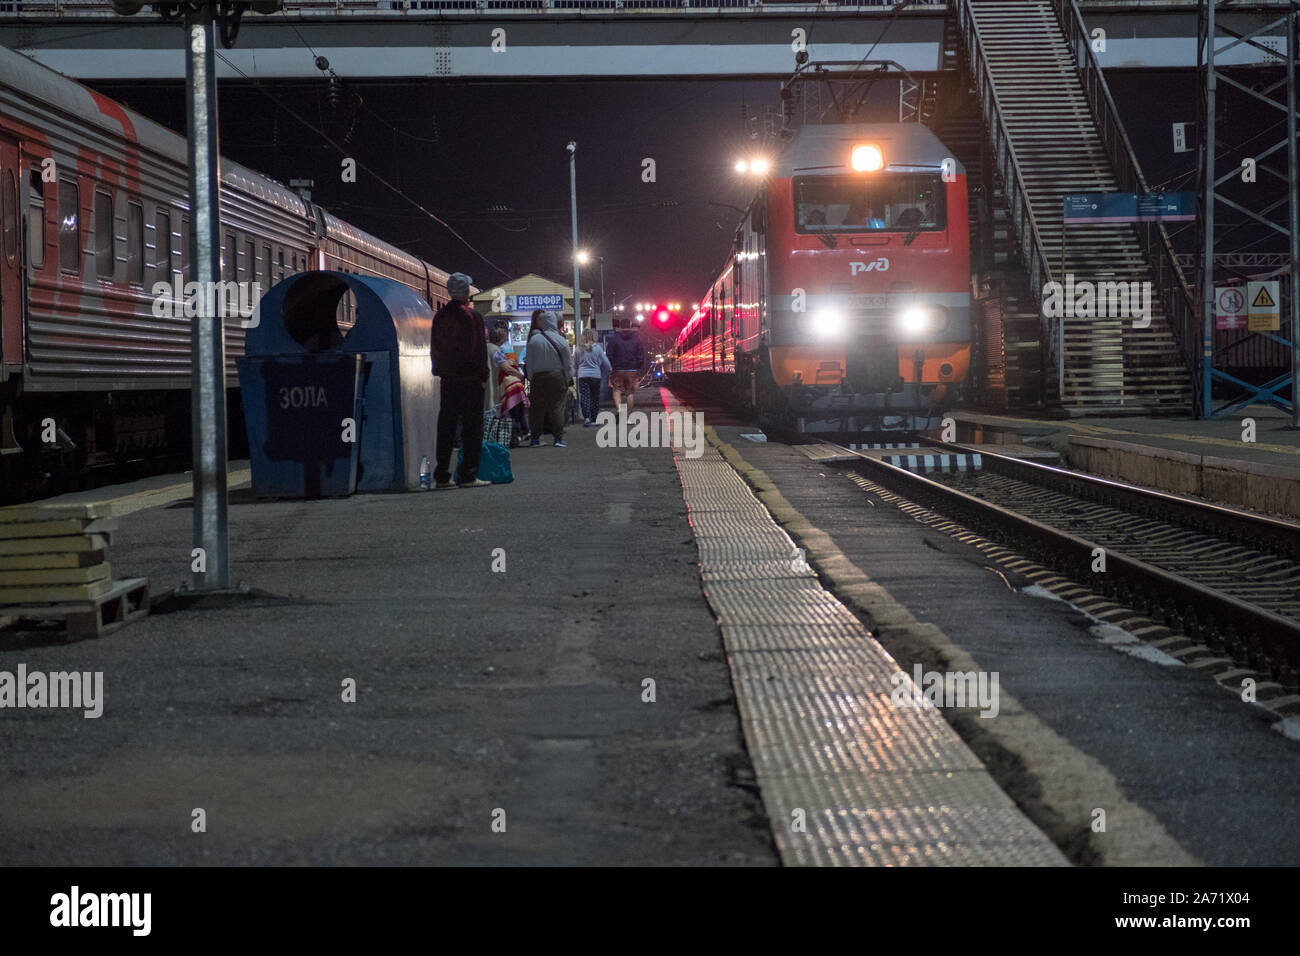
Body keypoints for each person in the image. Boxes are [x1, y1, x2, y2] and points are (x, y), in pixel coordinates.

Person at [430, 272, 491, 489]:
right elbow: (478, 351)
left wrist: (439, 369)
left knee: (446, 425)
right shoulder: (472, 316)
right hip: (470, 380)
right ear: (466, 291)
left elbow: (435, 347)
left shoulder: (440, 316)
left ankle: (442, 475)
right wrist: (482, 375)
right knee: (471, 428)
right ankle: (468, 475)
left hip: (448, 379)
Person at [523, 309, 572, 447]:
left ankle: (535, 439)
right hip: (557, 376)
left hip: (538, 377)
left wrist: (532, 377)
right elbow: (567, 364)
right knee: (557, 407)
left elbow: (529, 362)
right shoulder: (560, 340)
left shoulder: (534, 339)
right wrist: (567, 378)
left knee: (537, 409)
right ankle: (558, 438)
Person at [490, 329, 530, 443]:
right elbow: (507, 367)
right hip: (515, 384)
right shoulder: (501, 352)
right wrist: (520, 376)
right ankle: (523, 432)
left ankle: (515, 436)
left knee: (513, 412)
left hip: (506, 386)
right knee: (518, 411)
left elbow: (505, 368)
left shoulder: (494, 350)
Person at [605, 315, 646, 416]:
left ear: (620, 326)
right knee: (630, 393)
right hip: (632, 369)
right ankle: (628, 417)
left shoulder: (614, 339)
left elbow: (609, 354)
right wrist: (638, 367)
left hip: (618, 369)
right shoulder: (637, 339)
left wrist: (613, 365)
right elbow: (641, 355)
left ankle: (619, 410)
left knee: (616, 391)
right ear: (631, 325)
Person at [573, 328, 611, 427]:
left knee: (584, 397)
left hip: (582, 376)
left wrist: (573, 373)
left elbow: (575, 364)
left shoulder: (578, 349)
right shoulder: (597, 348)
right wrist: (610, 369)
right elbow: (605, 361)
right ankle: (594, 419)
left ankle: (586, 418)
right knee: (595, 397)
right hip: (595, 376)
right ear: (593, 336)